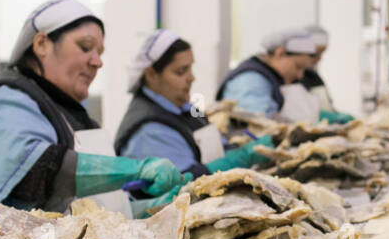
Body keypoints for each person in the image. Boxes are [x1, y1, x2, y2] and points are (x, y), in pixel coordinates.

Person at [0, 0, 186, 214]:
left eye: (100, 52)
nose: (97, 62)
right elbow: (35, 175)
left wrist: (151, 209)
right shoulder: (1, 100)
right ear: (42, 44)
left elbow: (89, 210)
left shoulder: (70, 115)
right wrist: (136, 170)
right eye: (85, 47)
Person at [116, 30, 275, 192]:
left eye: (190, 69)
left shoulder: (187, 108)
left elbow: (214, 138)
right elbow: (184, 183)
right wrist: (241, 158)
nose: (191, 78)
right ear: (151, 75)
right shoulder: (149, 130)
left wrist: (238, 149)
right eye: (180, 72)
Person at [216, 30, 318, 119]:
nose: (300, 75)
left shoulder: (269, 77)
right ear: (280, 53)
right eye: (298, 67)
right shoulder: (251, 81)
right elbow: (255, 124)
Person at [299, 24, 354, 124]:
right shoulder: (294, 79)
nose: (319, 58)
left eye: (322, 54)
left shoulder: (313, 76)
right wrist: (326, 117)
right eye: (314, 54)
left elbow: (327, 106)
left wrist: (337, 116)